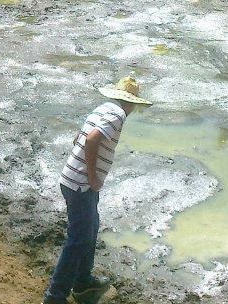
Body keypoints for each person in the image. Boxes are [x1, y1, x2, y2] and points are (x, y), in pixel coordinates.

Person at [44, 77, 152, 304]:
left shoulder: (103, 108)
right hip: (81, 184)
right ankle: (55, 296)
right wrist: (92, 177)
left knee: (90, 231)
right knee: (78, 240)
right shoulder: (118, 115)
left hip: (72, 179)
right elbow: (92, 140)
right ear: (131, 103)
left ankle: (83, 283)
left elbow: (79, 138)